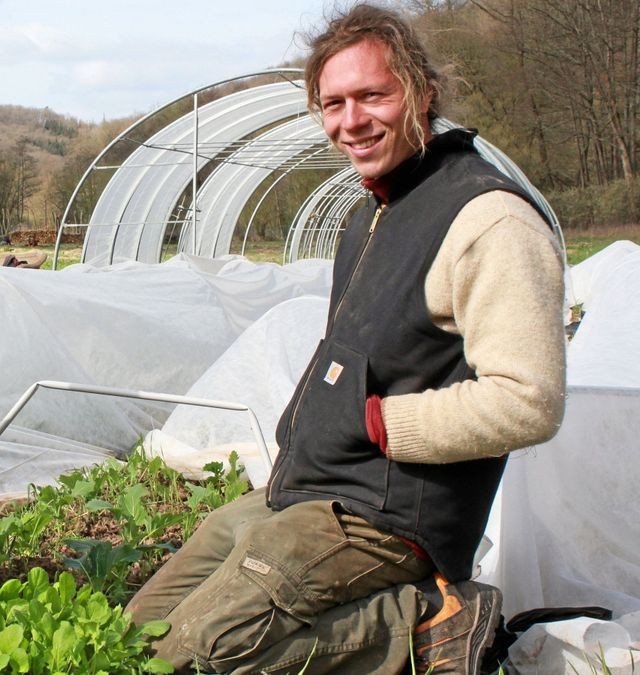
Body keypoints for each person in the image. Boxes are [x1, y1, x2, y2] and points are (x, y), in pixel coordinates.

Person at [126, 5, 566, 674]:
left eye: (372, 95)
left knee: (197, 657)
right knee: (136, 635)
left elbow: (528, 399)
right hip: (311, 489)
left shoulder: (487, 218)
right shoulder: (370, 213)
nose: (350, 120)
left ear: (422, 93)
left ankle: (427, 622)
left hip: (390, 514)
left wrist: (384, 421)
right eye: (332, 103)